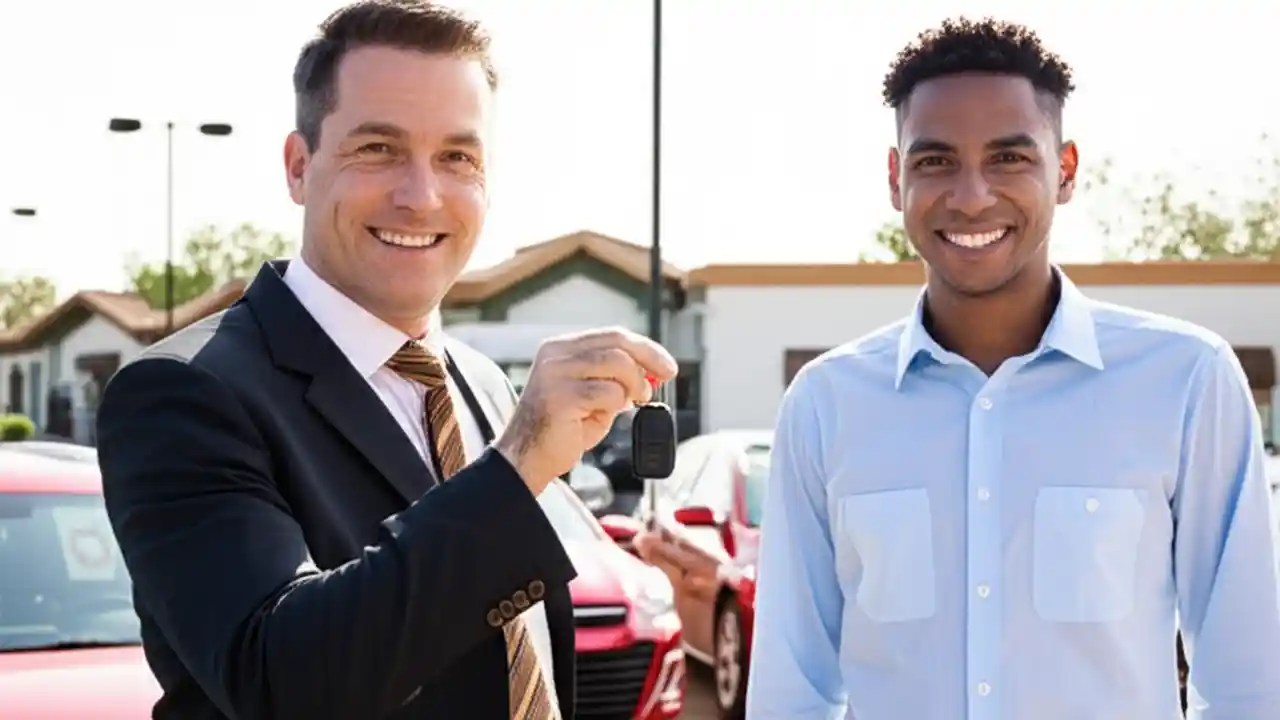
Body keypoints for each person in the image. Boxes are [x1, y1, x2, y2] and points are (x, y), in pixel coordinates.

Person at [94, 2, 676, 719]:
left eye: (457, 158)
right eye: (378, 149)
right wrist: (517, 465)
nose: (421, 196)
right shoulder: (182, 393)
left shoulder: (484, 384)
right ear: (298, 167)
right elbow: (278, 679)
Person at [745, 17, 1280, 720]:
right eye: (936, 161)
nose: (971, 196)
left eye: (1008, 158)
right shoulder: (825, 404)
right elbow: (792, 692)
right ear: (895, 178)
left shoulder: (1187, 381)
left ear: (1065, 171)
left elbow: (1250, 683)